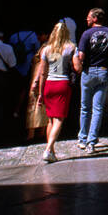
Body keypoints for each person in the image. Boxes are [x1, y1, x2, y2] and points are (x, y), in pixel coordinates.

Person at [74, 8, 108, 153]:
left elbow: (81, 56)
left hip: (89, 71)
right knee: (97, 108)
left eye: (88, 17)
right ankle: (92, 142)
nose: (86, 19)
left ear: (94, 18)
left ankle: (82, 139)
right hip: (104, 71)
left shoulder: (86, 34)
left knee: (85, 107)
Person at [34, 23, 76, 162]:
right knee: (59, 119)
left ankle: (51, 152)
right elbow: (77, 68)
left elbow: (42, 73)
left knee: (51, 119)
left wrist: (40, 93)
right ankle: (48, 149)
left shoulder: (45, 50)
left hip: (49, 85)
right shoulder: (71, 48)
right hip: (62, 84)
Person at [24, 30, 50, 143]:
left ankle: (32, 134)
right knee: (41, 105)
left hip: (38, 78)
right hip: (40, 78)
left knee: (34, 105)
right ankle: (41, 132)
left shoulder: (45, 47)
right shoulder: (45, 47)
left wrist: (35, 81)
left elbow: (42, 66)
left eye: (40, 34)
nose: (38, 36)